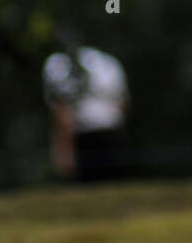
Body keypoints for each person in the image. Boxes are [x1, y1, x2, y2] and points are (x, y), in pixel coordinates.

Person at [43, 30, 129, 183]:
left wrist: (64, 146)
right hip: (98, 135)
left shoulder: (59, 64)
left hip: (93, 136)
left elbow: (61, 109)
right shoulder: (109, 63)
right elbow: (123, 104)